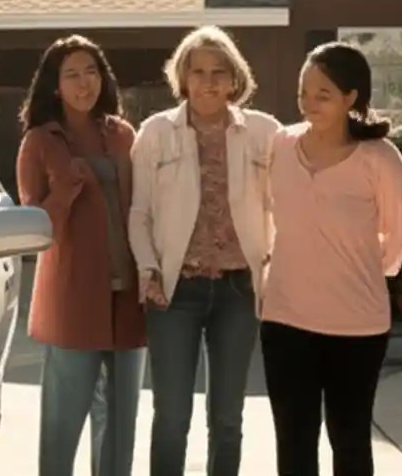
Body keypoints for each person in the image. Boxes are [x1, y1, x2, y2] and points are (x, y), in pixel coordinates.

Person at [126, 25, 280, 476]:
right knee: (172, 417)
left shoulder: (264, 132)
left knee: (227, 420)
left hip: (239, 290)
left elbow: (286, 205)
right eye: (198, 72)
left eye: (219, 72)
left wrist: (273, 270)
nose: (209, 82)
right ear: (182, 78)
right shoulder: (156, 133)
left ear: (235, 79)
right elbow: (139, 214)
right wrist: (148, 270)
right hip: (174, 292)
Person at [260, 41, 402, 476]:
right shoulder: (280, 145)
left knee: (349, 441)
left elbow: (396, 242)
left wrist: (351, 275)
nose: (309, 104)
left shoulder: (381, 159)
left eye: (322, 94)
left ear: (351, 98)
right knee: (293, 443)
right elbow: (264, 216)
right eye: (303, 93)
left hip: (357, 326)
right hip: (286, 319)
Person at [16, 34, 147, 476]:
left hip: (126, 295)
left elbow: (144, 209)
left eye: (91, 71)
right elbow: (33, 228)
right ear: (55, 84)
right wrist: (66, 189)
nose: (83, 82)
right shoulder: (39, 142)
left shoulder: (124, 134)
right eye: (71, 74)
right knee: (61, 424)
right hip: (71, 298)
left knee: (120, 426)